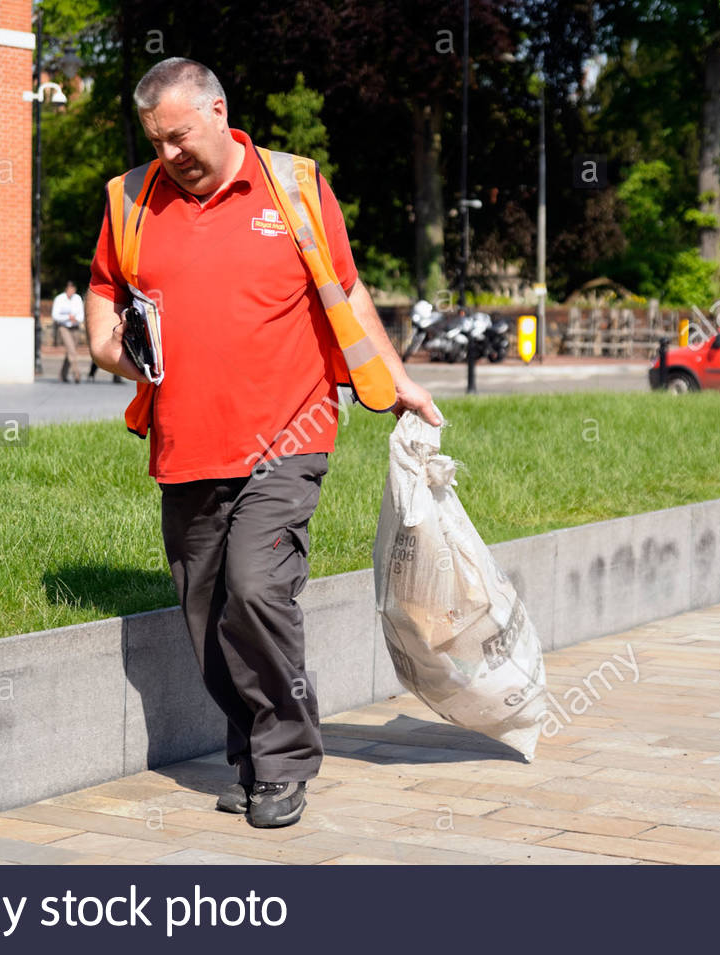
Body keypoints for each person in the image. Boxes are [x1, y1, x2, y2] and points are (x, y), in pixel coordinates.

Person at [85, 58, 441, 828]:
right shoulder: (131, 199)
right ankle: (252, 752)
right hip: (184, 441)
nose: (170, 153)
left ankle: (282, 762)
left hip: (290, 433)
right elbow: (105, 284)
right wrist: (107, 344)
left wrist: (397, 381)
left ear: (218, 111)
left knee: (256, 588)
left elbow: (344, 291)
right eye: (157, 140)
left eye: (180, 135)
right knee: (205, 611)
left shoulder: (293, 187)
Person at [51, 280, 85, 383]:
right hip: (64, 327)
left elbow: (81, 314)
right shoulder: (59, 299)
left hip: (75, 327)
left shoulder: (78, 298)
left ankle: (63, 374)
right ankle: (77, 374)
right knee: (72, 351)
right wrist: (67, 317)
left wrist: (76, 319)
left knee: (70, 352)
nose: (71, 291)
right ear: (66, 289)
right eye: (69, 289)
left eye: (73, 289)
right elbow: (55, 315)